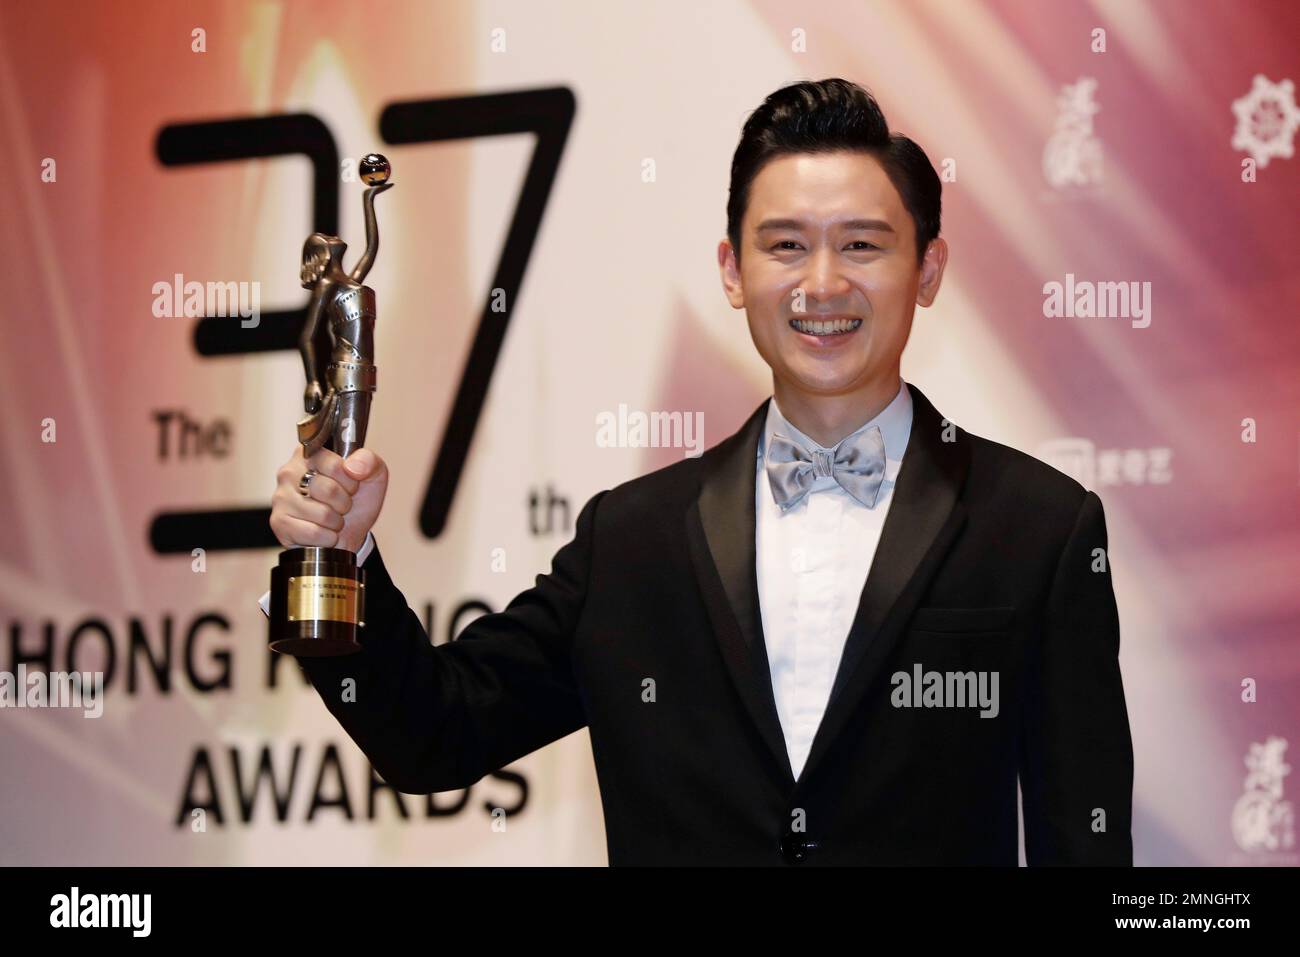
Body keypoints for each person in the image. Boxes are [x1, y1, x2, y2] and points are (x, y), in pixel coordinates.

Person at [262, 78, 1134, 866]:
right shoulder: (631, 540)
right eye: (785, 245)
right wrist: (339, 561)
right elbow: (434, 735)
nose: (821, 284)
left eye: (863, 245)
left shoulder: (1039, 528)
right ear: (732, 270)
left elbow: (1086, 845)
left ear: (928, 269)